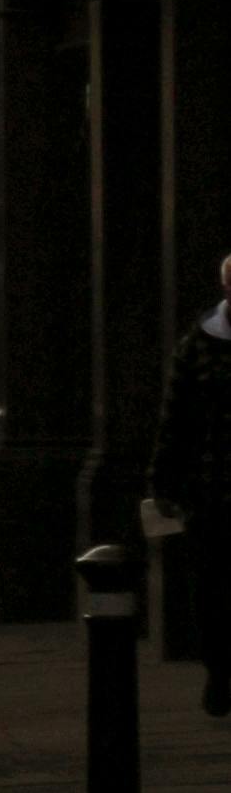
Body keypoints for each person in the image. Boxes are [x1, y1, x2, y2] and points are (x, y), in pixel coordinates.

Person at [149, 250, 231, 720]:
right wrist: (163, 480)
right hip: (211, 492)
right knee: (214, 591)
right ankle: (219, 673)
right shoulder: (197, 346)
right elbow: (174, 419)